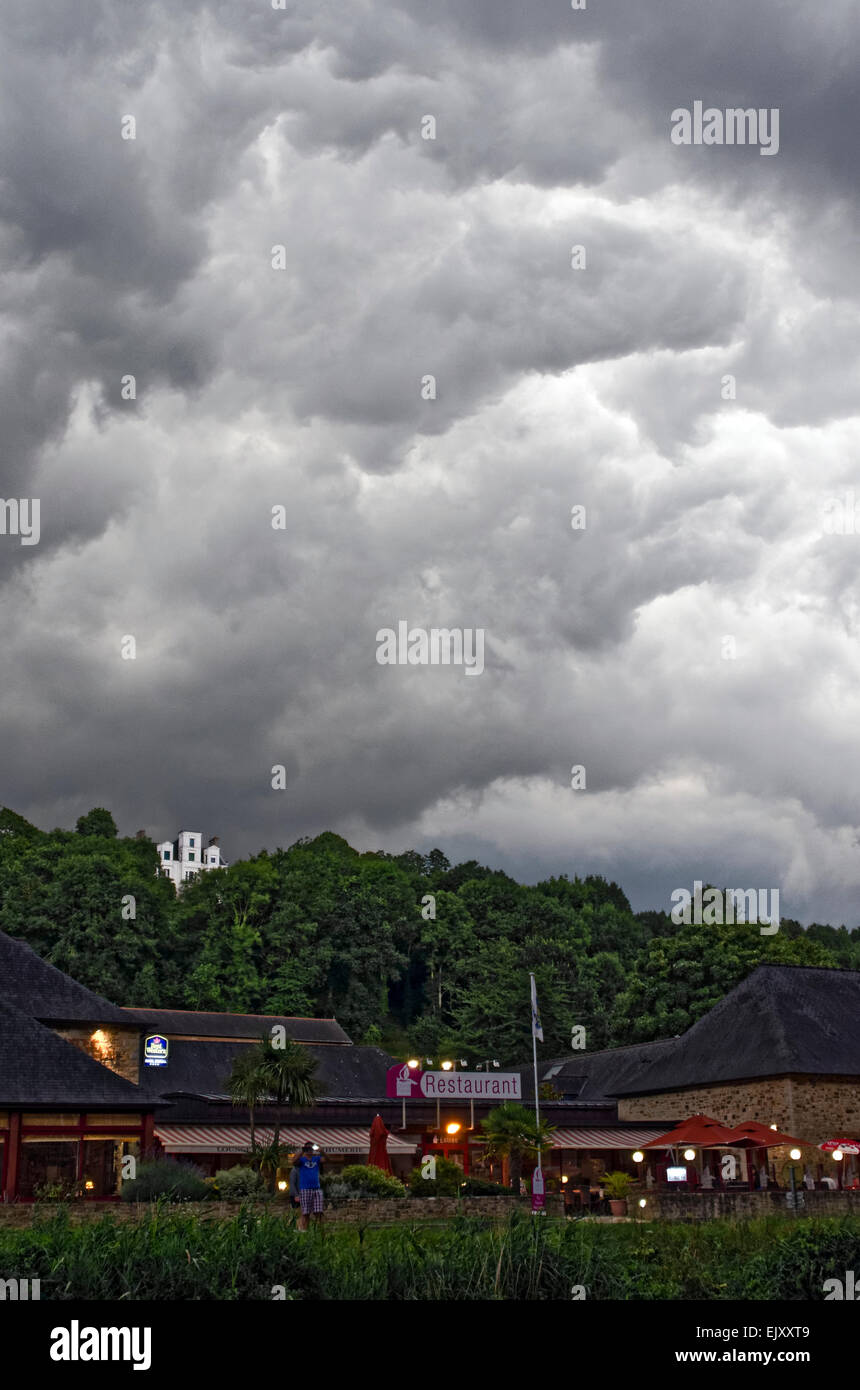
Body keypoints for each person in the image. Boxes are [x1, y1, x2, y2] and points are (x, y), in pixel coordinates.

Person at [293, 1143, 324, 1230]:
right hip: (305, 1188)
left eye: (311, 1148)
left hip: (316, 1188)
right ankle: (305, 1232)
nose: (309, 1150)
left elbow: (328, 1160)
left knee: (319, 1213)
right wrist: (302, 1151)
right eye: (308, 1149)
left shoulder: (316, 1159)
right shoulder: (302, 1160)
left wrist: (322, 1151)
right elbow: (294, 1162)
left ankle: (321, 1234)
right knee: (305, 1213)